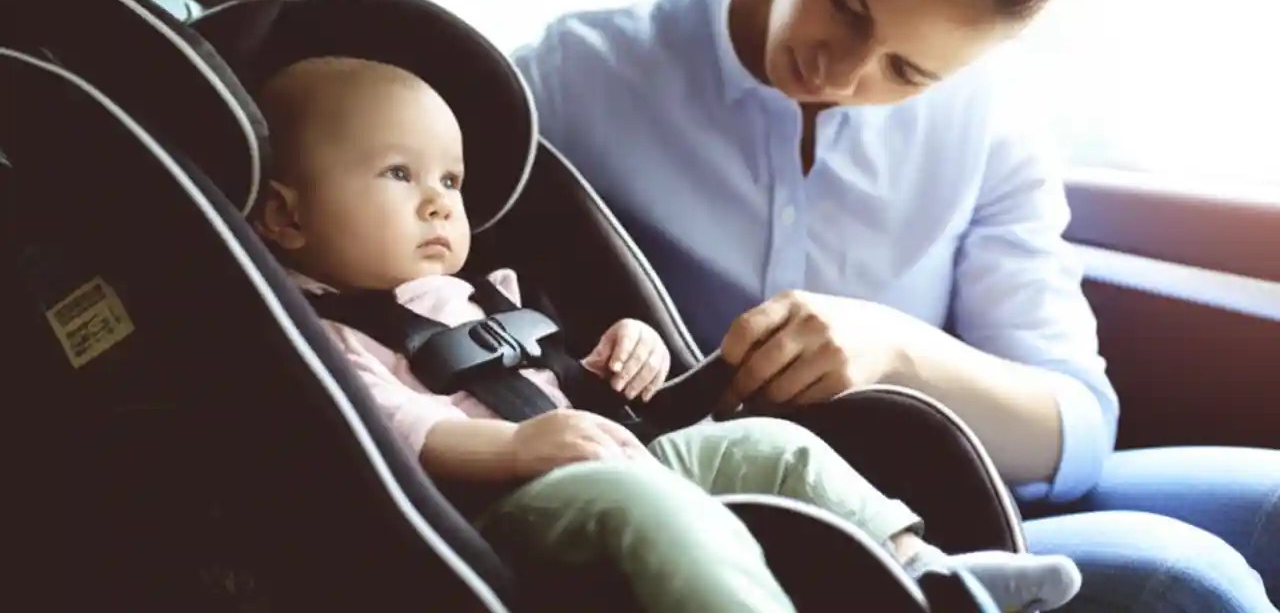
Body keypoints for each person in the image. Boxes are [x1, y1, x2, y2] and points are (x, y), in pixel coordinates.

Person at [509, 0, 1280, 610]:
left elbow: (1075, 426)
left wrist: (895, 350)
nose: (837, 73)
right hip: (723, 508)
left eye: (906, 71)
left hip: (953, 501)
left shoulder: (992, 116)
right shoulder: (573, 75)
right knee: (1189, 579)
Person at [248, 54, 1081, 612]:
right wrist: (516, 449)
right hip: (491, 512)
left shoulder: (482, 295)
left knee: (770, 445)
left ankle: (928, 575)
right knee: (654, 505)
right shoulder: (318, 332)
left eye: (452, 180)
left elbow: (555, 377)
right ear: (286, 216)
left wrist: (621, 358)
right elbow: (396, 428)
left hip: (606, 457)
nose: (439, 201)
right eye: (399, 174)